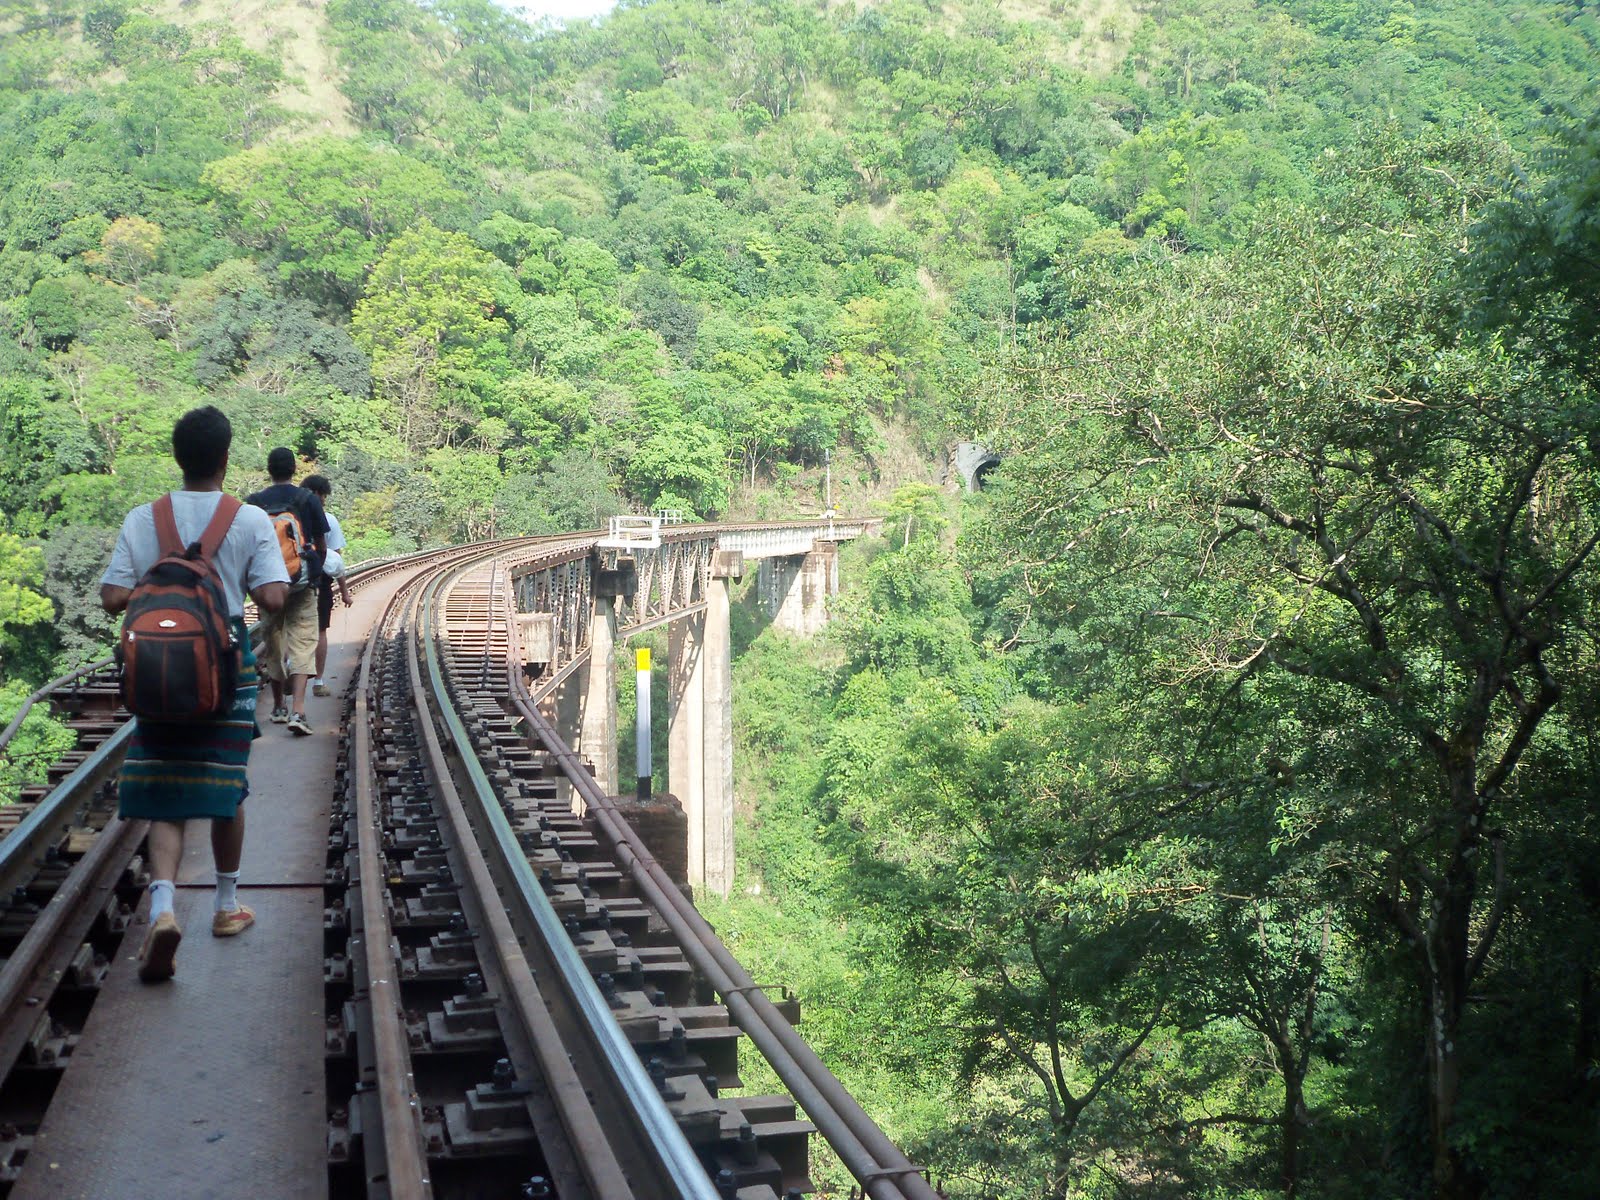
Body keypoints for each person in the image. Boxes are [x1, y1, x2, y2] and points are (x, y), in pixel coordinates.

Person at [100, 406, 289, 982]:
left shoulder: (143, 518)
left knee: (163, 783)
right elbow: (275, 598)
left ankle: (161, 910)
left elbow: (111, 597)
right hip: (226, 665)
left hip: (157, 671)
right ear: (225, 458)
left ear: (177, 456)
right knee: (224, 785)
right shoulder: (250, 519)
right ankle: (226, 906)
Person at [246, 448, 328, 736]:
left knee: (274, 643)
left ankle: (279, 705)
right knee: (303, 644)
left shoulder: (253, 503)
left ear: (269, 470)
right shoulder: (307, 499)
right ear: (294, 470)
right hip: (302, 583)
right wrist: (313, 572)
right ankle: (299, 711)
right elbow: (320, 542)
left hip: (269, 587)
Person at [301, 474, 352, 697]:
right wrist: (344, 591)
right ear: (319, 494)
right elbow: (336, 560)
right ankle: (318, 682)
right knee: (320, 630)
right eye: (323, 496)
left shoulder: (291, 515)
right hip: (320, 581)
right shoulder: (329, 520)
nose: (323, 501)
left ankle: (289, 677)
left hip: (294, 577)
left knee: (293, 629)